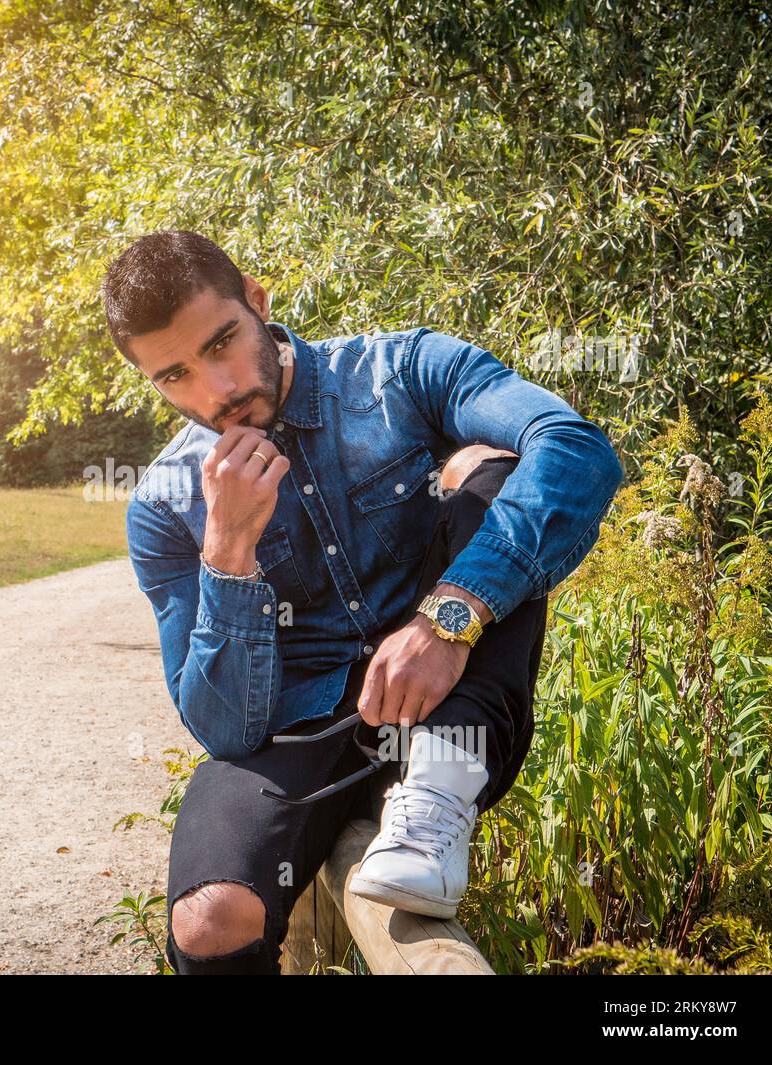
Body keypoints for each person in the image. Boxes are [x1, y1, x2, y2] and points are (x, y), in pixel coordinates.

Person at [102, 230, 624, 975]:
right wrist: (228, 556)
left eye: (221, 342)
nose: (214, 390)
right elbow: (223, 728)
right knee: (208, 918)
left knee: (494, 464)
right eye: (175, 375)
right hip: (292, 741)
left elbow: (575, 447)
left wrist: (449, 615)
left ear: (257, 299)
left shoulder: (401, 370)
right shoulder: (166, 504)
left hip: (446, 709)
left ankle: (433, 803)